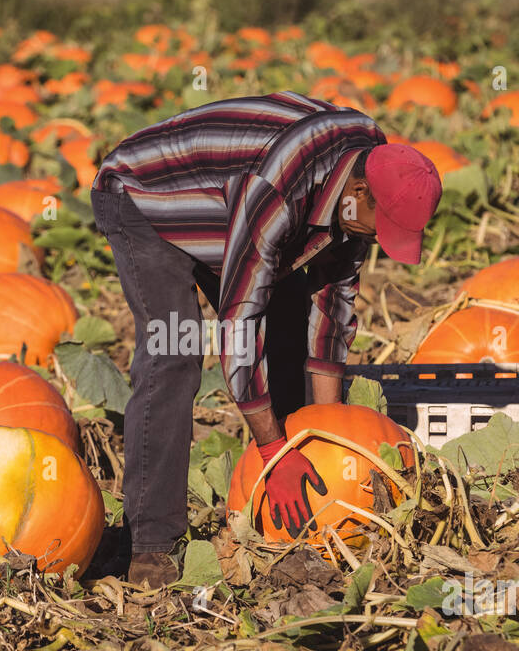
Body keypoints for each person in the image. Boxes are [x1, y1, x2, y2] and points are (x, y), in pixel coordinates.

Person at [89, 91, 441, 588]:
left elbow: (334, 301)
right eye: (378, 227)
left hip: (225, 205)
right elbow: (241, 319)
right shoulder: (279, 187)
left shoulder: (379, 171)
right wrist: (275, 448)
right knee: (176, 351)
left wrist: (326, 427)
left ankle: (297, 517)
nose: (377, 240)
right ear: (357, 193)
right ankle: (151, 542)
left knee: (292, 334)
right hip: (148, 196)